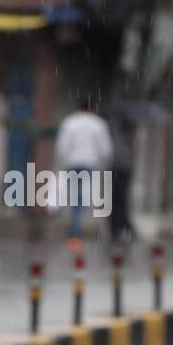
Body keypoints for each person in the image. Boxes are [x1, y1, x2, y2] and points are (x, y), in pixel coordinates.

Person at [52, 96, 113, 250]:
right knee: (82, 196)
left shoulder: (69, 122)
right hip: (88, 163)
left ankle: (74, 227)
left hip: (72, 163)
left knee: (74, 195)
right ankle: (76, 229)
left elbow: (62, 146)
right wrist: (105, 162)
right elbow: (105, 148)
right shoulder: (98, 124)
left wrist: (60, 163)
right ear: (91, 108)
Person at [109, 117, 136, 244]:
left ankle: (120, 227)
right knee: (119, 200)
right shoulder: (121, 141)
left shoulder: (123, 140)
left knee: (118, 200)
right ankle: (120, 227)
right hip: (120, 171)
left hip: (119, 171)